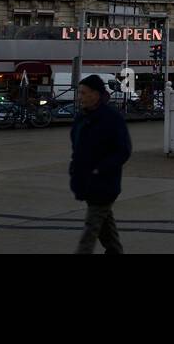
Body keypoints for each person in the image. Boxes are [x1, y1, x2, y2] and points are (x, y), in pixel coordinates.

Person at [70, 74, 132, 254]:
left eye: (83, 93)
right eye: (79, 92)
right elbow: (77, 147)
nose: (79, 96)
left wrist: (100, 169)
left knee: (91, 228)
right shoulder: (82, 118)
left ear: (95, 94)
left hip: (103, 182)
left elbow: (123, 150)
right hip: (86, 180)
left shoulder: (111, 118)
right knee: (105, 227)